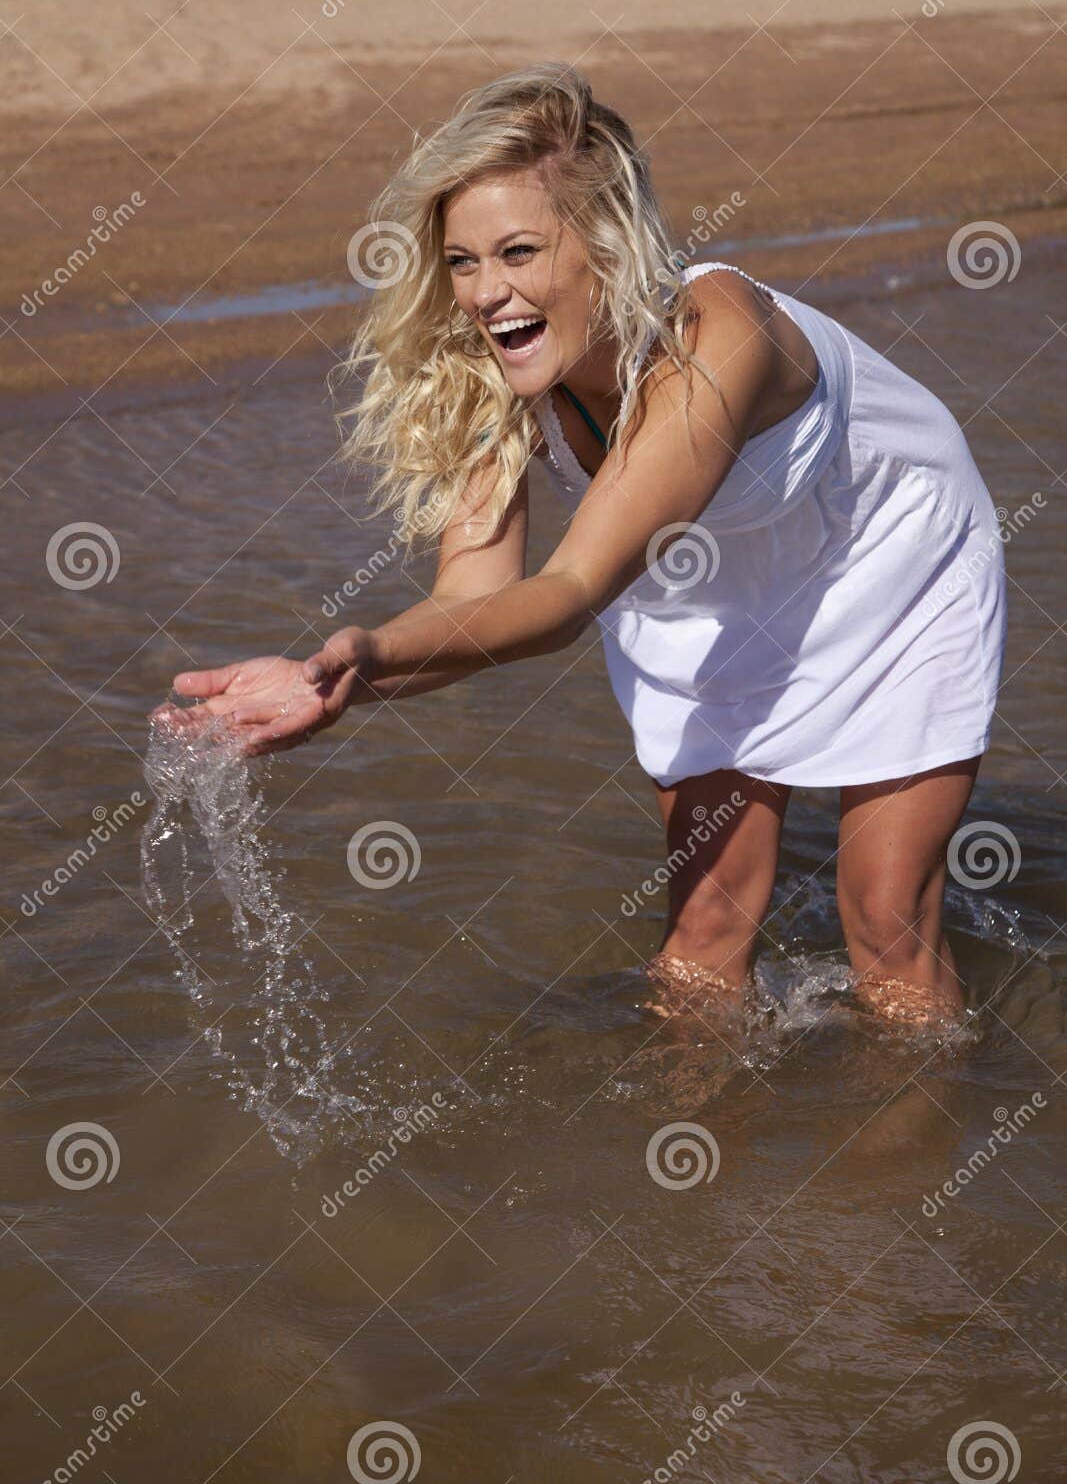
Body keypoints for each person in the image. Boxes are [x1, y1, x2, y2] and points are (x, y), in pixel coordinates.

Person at [153, 63, 1007, 1023]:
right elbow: (470, 597)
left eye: (518, 251)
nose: (485, 292)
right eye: (463, 261)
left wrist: (370, 652)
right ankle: (698, 1146)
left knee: (885, 921)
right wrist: (337, 675)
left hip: (885, 561)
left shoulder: (716, 337)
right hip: (705, 589)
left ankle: (904, 1157)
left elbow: (567, 593)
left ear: (606, 245)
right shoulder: (494, 367)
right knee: (704, 928)